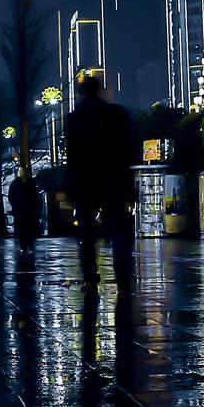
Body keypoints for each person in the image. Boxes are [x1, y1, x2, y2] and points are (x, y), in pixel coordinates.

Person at [65, 73, 136, 290]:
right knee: (119, 229)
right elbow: (130, 149)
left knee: (87, 233)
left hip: (86, 184)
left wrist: (72, 187)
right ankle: (123, 275)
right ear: (99, 89)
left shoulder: (74, 118)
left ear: (80, 93)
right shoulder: (117, 114)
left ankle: (90, 277)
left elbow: (72, 157)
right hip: (113, 181)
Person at [9, 172, 42, 248]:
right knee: (25, 228)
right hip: (24, 210)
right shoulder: (29, 183)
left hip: (24, 210)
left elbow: (11, 196)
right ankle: (26, 244)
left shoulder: (16, 183)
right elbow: (36, 197)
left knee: (25, 228)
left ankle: (25, 244)